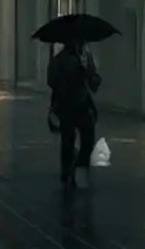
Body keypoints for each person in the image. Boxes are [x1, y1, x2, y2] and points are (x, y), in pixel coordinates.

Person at [47, 40, 101, 188]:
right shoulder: (60, 59)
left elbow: (92, 81)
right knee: (68, 140)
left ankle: (77, 166)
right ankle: (67, 172)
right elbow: (52, 81)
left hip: (82, 103)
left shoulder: (85, 58)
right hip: (66, 103)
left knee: (87, 139)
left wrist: (92, 76)